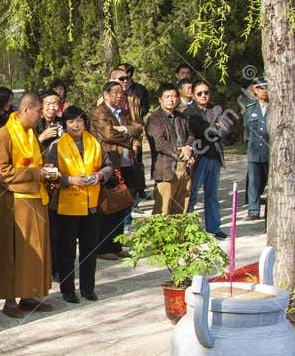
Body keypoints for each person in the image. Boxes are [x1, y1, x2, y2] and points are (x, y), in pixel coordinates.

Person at [0, 91, 58, 317]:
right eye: (40, 110)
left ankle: (29, 295)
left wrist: (46, 171)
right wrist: (36, 173)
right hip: (15, 204)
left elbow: (37, 162)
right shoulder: (4, 135)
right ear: (27, 109)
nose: (42, 115)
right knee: (14, 251)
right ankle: (10, 301)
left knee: (34, 252)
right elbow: (1, 172)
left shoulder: (31, 133)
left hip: (36, 199)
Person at [53, 106, 110, 304]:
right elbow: (50, 175)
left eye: (79, 121)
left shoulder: (94, 142)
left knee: (89, 249)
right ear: (65, 125)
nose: (76, 125)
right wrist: (68, 180)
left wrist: (99, 175)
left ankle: (88, 288)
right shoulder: (57, 145)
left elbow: (108, 166)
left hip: (91, 204)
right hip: (67, 206)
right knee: (67, 250)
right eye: (71, 122)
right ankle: (68, 289)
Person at [90, 80, 141, 255]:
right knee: (109, 206)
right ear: (106, 94)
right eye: (115, 93)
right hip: (110, 163)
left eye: (122, 93)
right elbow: (109, 134)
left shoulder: (125, 111)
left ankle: (117, 245)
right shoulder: (99, 112)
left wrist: (128, 131)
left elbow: (138, 127)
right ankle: (104, 247)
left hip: (127, 162)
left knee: (122, 205)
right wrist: (129, 133)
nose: (120, 96)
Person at [185, 81, 231, 238]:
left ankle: (214, 227)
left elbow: (226, 128)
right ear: (193, 95)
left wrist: (215, 128)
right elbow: (199, 130)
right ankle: (189, 229)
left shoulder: (217, 108)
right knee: (192, 195)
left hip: (215, 157)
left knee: (212, 195)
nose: (203, 95)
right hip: (199, 158)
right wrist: (215, 126)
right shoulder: (190, 112)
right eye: (199, 93)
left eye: (206, 92)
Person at [145, 84, 194, 215]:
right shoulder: (154, 119)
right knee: (163, 210)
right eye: (167, 97)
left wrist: (188, 148)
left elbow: (191, 135)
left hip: (184, 167)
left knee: (181, 208)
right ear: (160, 99)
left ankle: (178, 236)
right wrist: (181, 152)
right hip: (166, 169)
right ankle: (158, 236)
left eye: (174, 96)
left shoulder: (182, 116)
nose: (171, 100)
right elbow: (159, 144)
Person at [241, 81, 271, 220]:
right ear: (256, 91)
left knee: (269, 181)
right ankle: (253, 210)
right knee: (254, 181)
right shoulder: (250, 108)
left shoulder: (275, 107)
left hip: (270, 151)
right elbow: (247, 130)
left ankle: (270, 209)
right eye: (261, 88)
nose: (264, 91)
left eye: (267, 88)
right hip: (254, 150)